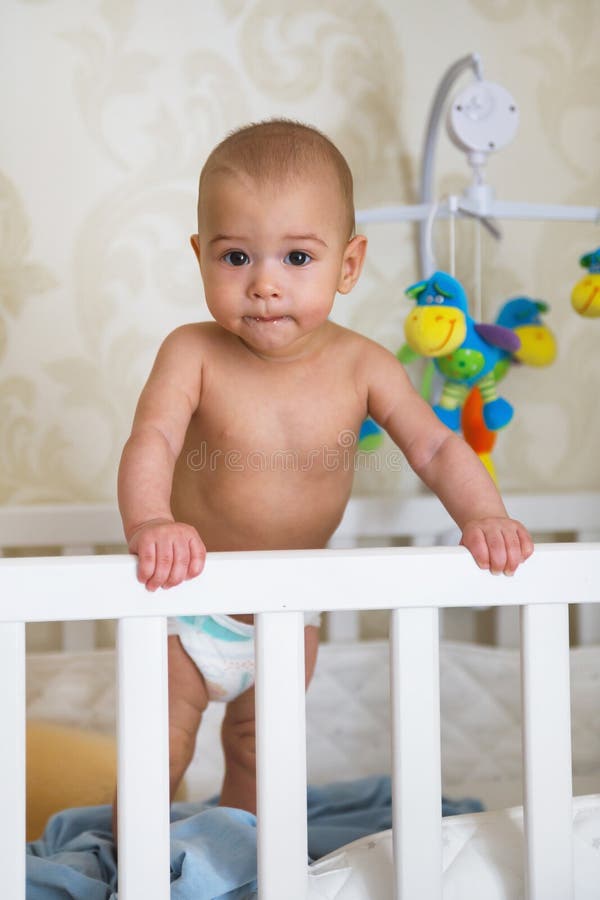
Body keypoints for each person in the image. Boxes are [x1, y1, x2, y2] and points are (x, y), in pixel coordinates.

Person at [116, 118, 533, 826]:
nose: (266, 285)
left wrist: (483, 516)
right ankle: (141, 868)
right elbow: (151, 437)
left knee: (258, 748)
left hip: (290, 606)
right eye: (237, 257)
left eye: (298, 259)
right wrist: (154, 521)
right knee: (160, 748)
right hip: (189, 601)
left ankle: (244, 859)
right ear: (200, 258)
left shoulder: (364, 365)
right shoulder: (191, 352)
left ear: (348, 264)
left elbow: (434, 448)